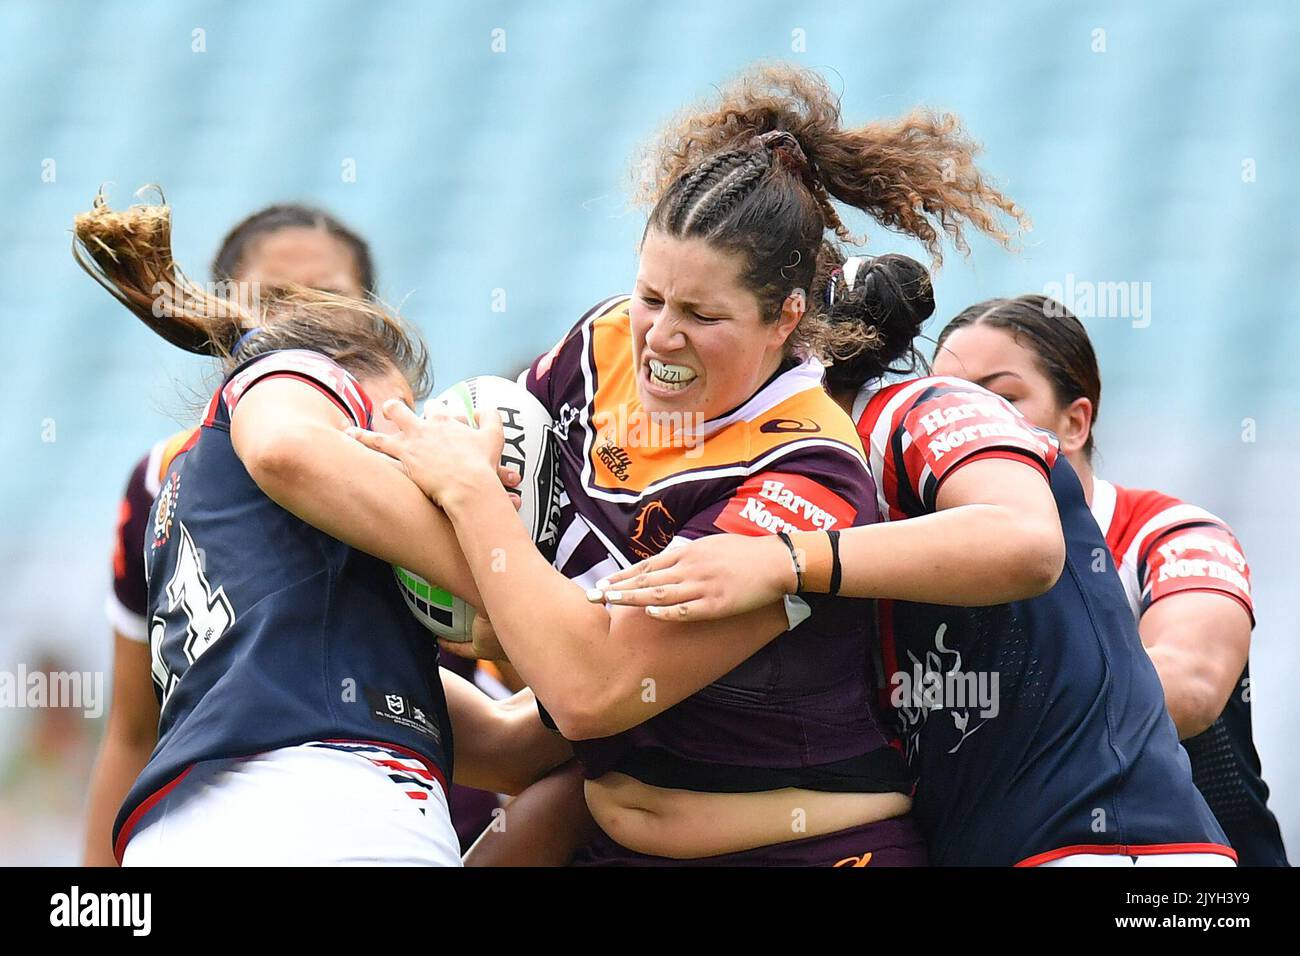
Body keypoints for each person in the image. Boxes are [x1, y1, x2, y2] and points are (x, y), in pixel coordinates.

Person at [349, 64, 1029, 866]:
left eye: (703, 315)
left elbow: (594, 689)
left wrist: (467, 493)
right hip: (609, 843)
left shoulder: (811, 468)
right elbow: (518, 594)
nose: (660, 338)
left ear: (786, 320)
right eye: (651, 296)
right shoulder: (598, 346)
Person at [588, 253, 1235, 866]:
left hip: (1107, 843)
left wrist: (780, 560)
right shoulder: (806, 487)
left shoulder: (914, 410)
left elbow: (1026, 544)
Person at [74, 192, 569, 865]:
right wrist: (500, 565)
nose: (416, 441)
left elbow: (511, 748)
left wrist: (636, 651)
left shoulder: (301, 606)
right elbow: (288, 451)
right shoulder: (291, 375)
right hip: (323, 822)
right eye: (402, 417)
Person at [930, 295, 1288, 866]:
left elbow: (1192, 688)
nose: (971, 424)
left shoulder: (1171, 533)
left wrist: (986, 708)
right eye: (945, 404)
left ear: (1076, 421)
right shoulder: (925, 555)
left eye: (1002, 398)